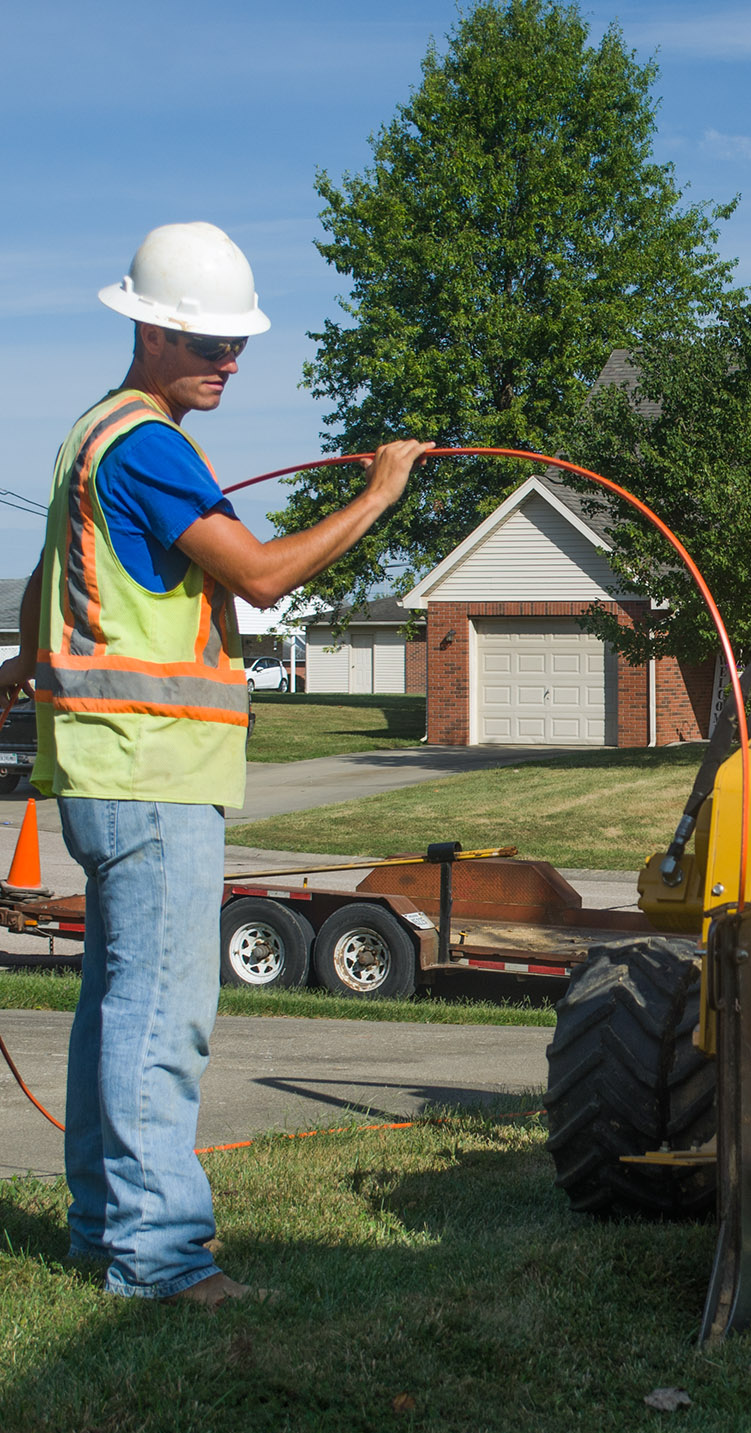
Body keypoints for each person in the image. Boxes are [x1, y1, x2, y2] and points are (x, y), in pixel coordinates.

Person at [0, 222, 432, 1306]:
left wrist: (17, 680)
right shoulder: (149, 446)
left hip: (109, 773)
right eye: (206, 341)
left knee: (117, 1009)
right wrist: (381, 495)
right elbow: (265, 579)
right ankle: (160, 1260)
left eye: (237, 343)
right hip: (154, 775)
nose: (228, 361)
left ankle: (105, 1233)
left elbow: (39, 594)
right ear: (148, 329)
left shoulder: (89, 438)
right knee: (161, 1020)